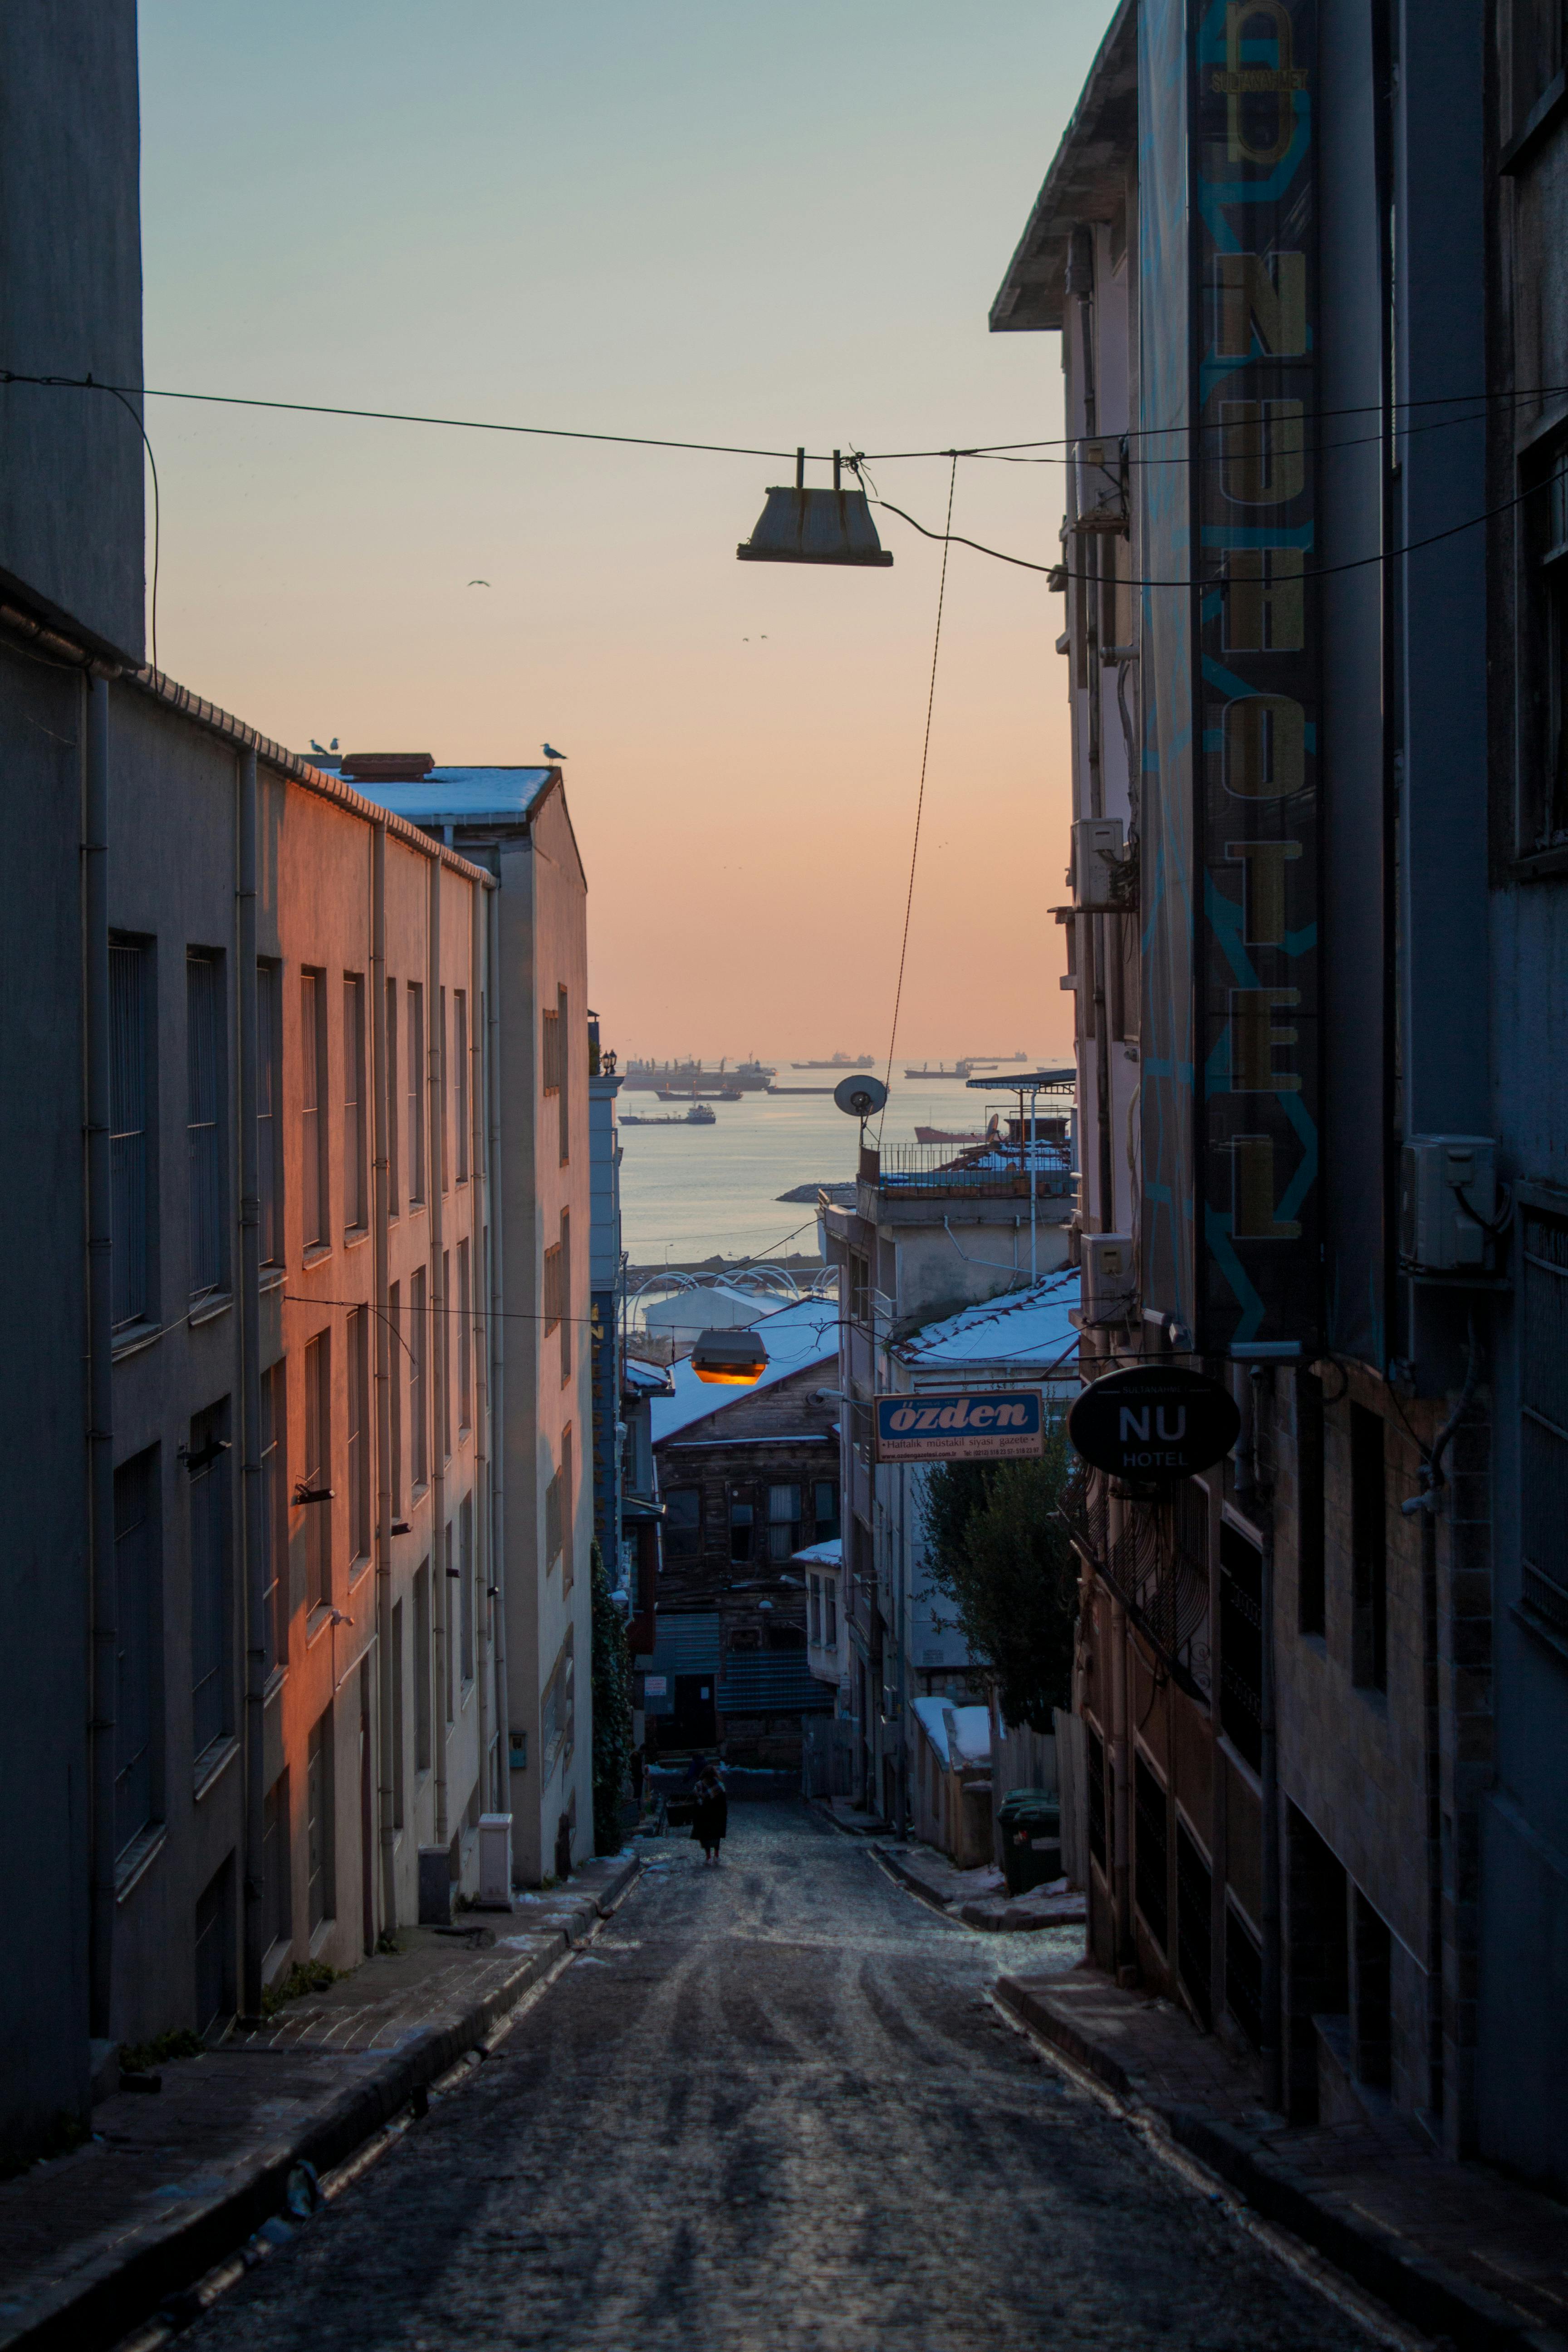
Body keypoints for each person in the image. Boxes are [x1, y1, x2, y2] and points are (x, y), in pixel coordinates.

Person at [691, 1764, 728, 1865]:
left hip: (704, 1816)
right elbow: (724, 1803)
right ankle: (717, 1855)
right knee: (716, 1835)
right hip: (717, 1815)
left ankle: (708, 1857)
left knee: (705, 1837)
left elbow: (696, 1803)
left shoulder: (699, 1786)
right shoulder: (720, 1786)